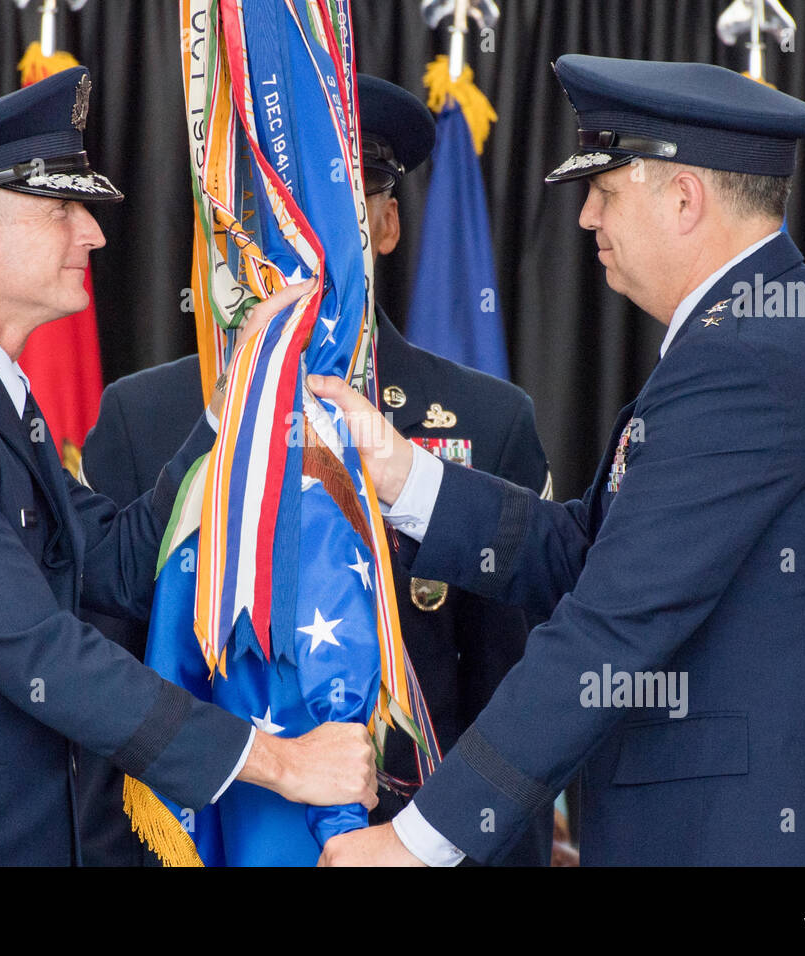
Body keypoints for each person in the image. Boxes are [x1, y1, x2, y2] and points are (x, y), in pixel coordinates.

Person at [314, 54, 805, 866]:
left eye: (604, 191)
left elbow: (609, 628)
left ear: (683, 197)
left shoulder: (749, 360)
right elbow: (592, 553)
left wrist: (420, 841)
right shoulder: (757, 336)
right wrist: (401, 475)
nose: (586, 219)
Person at [0, 67, 375, 866]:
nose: (92, 234)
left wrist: (233, 402)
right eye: (62, 209)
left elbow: (124, 565)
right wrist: (279, 762)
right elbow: (41, 651)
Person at [77, 74, 559, 866]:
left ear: (387, 222)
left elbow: (518, 707)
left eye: (336, 205)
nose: (305, 233)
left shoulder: (484, 420)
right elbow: (105, 700)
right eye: (279, 204)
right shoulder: (148, 421)